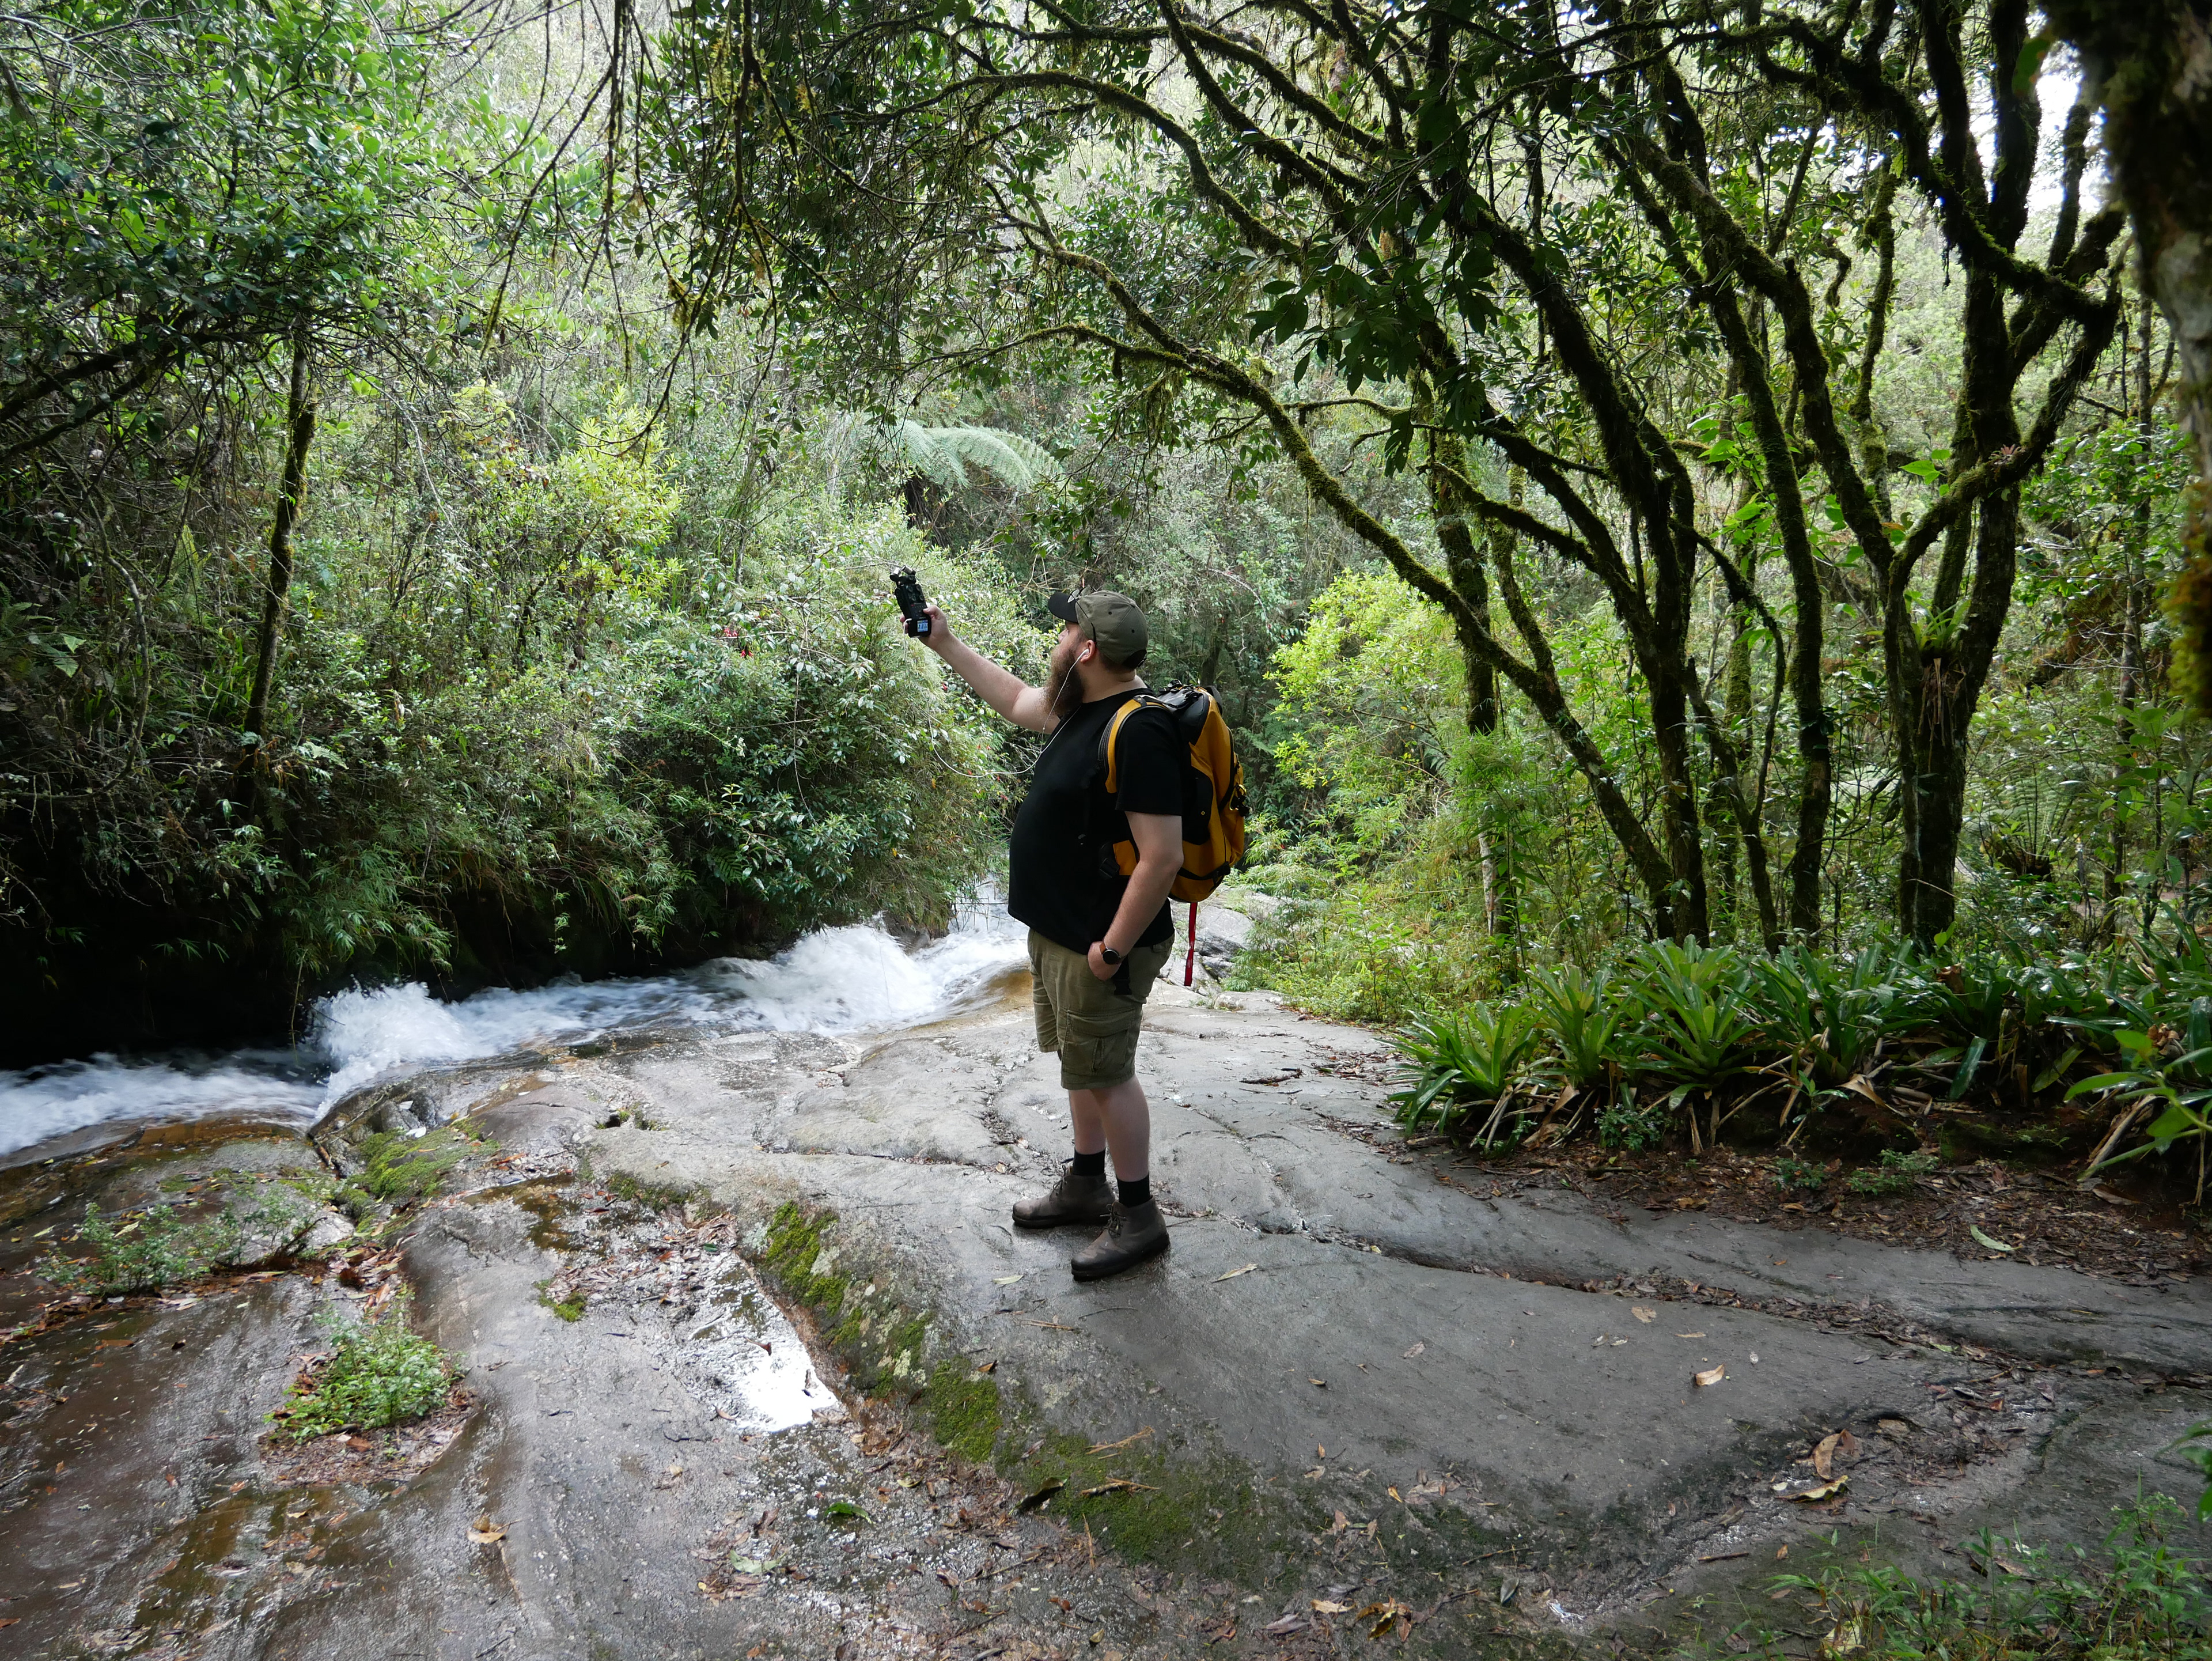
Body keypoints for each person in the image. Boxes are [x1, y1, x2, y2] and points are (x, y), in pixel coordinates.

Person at [913, 589, 1183, 1280]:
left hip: (1102, 943)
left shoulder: (1141, 730)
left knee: (1109, 1073)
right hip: (1061, 932)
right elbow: (1013, 700)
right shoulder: (1080, 710)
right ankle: (1087, 1183)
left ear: (1087, 650)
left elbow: (1162, 859)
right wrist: (944, 642)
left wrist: (1112, 949)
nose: (1057, 641)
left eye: (1066, 632)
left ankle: (1141, 1214)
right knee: (1081, 1065)